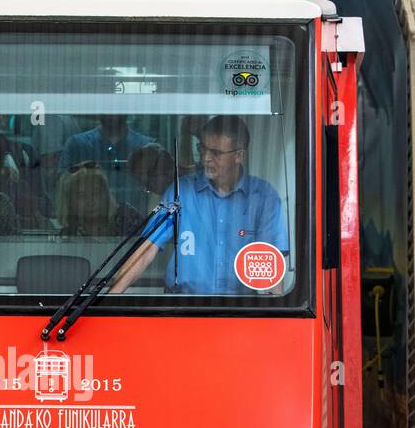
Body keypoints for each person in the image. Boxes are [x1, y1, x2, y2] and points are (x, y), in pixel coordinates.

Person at [109, 115, 288, 296]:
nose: (206, 159)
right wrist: (110, 299)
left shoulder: (264, 197)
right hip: (181, 308)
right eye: (202, 149)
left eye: (216, 153)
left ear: (239, 156)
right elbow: (146, 249)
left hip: (240, 311)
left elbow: (272, 266)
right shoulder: (180, 192)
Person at [59, 114, 153, 206]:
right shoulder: (76, 145)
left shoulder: (148, 147)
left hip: (139, 220)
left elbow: (158, 195)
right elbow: (62, 190)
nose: (112, 111)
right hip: (87, 219)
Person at [57, 165, 140, 238]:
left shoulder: (128, 218)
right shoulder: (67, 235)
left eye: (96, 193)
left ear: (106, 194)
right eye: (81, 196)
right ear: (69, 201)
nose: (90, 201)